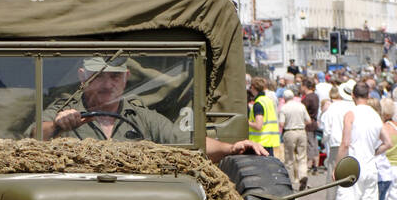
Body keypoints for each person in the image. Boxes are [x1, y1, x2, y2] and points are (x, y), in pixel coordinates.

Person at [44, 56, 268, 161]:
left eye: (115, 76)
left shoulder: (141, 117)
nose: (107, 84)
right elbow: (32, 138)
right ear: (82, 77)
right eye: (98, 76)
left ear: (126, 79)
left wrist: (231, 148)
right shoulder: (64, 110)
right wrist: (57, 126)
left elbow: (187, 143)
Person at [336, 81, 392, 200]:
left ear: (352, 95)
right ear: (368, 96)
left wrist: (339, 165)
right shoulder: (375, 115)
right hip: (370, 165)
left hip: (352, 165)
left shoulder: (350, 114)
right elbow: (388, 142)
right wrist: (374, 152)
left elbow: (345, 142)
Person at [280, 85, 310, 188]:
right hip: (301, 131)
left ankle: (291, 181)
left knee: (289, 159)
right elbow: (308, 120)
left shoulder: (284, 108)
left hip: (290, 132)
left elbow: (281, 124)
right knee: (302, 157)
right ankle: (303, 176)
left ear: (284, 98)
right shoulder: (301, 106)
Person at [246, 76, 280, 155]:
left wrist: (247, 122)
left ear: (254, 87)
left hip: (260, 144)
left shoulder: (258, 103)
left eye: (251, 87)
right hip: (269, 142)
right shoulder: (267, 100)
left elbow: (258, 126)